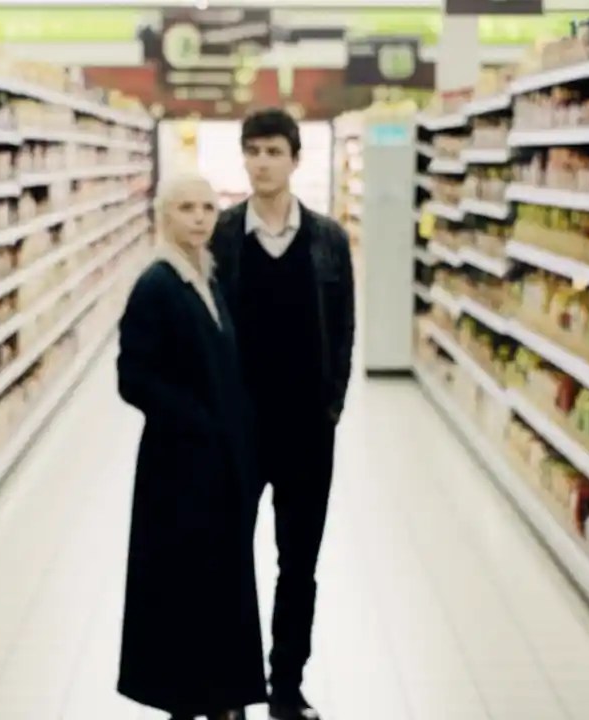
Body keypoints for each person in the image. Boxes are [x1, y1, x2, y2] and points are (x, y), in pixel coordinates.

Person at [209, 108, 355, 720]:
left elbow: (343, 329)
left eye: (273, 151)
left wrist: (331, 407)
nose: (262, 162)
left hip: (305, 433)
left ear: (296, 159)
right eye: (253, 151)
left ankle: (285, 688)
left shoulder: (328, 238)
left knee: (299, 566)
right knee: (227, 561)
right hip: (238, 431)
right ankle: (229, 689)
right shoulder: (220, 235)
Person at [115, 173, 266, 720]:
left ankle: (221, 695)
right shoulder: (156, 284)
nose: (200, 217)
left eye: (207, 207)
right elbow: (133, 377)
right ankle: (194, 697)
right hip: (178, 473)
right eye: (186, 208)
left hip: (217, 469)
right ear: (164, 215)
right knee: (187, 587)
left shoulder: (207, 277)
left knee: (217, 583)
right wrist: (199, 425)